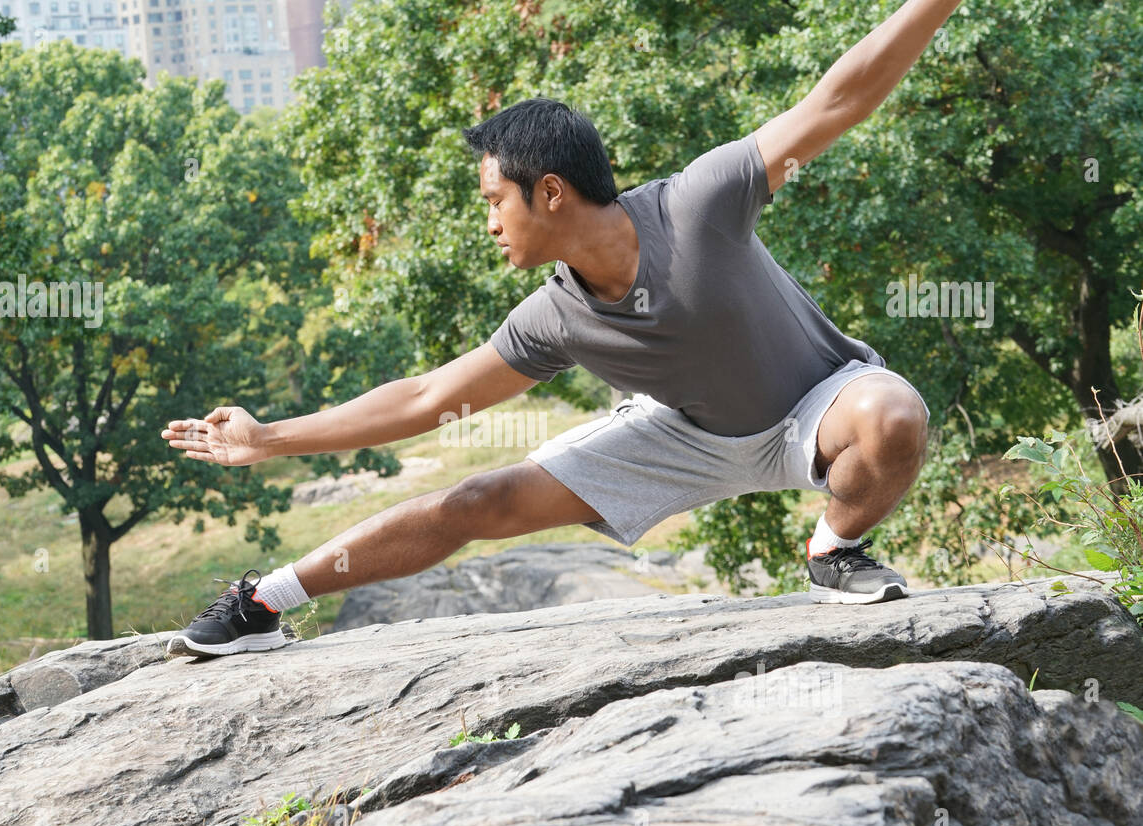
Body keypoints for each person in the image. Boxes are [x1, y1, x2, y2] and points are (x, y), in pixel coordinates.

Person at [161, 0, 959, 657]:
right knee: (476, 501)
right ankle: (263, 601)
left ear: (548, 192)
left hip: (816, 407)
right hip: (683, 436)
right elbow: (426, 396)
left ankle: (834, 551)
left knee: (892, 414)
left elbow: (836, 101)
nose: (488, 224)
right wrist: (268, 440)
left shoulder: (700, 202)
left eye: (491, 201)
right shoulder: (554, 315)